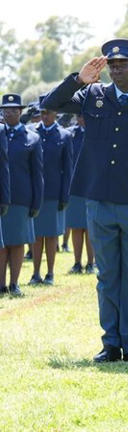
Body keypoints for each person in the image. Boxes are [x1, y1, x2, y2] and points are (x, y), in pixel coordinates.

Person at [42, 39, 128, 364]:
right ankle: (111, 343)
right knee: (107, 275)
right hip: (99, 199)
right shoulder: (93, 95)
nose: (116, 70)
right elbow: (50, 103)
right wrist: (78, 80)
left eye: (122, 64)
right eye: (111, 65)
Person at [29, 96, 73, 286]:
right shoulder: (32, 133)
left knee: (51, 235)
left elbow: (68, 169)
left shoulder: (64, 135)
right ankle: (35, 273)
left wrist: (65, 196)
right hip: (35, 194)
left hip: (54, 192)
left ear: (56, 113)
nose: (45, 116)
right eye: (43, 112)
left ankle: (50, 273)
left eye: (49, 112)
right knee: (36, 235)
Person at [0, 93, 38, 297]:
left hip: (21, 197)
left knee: (17, 242)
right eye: (5, 110)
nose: (9, 114)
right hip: (1, 197)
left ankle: (14, 283)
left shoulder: (32, 138)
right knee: (1, 243)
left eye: (13, 110)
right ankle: (1, 284)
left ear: (20, 112)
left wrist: (36, 202)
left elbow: (37, 174)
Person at [65, 115, 95, 274]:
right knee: (76, 226)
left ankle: (91, 263)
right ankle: (77, 263)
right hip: (75, 186)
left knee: (91, 228)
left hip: (93, 187)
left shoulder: (98, 132)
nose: (81, 119)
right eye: (78, 116)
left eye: (83, 116)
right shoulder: (71, 134)